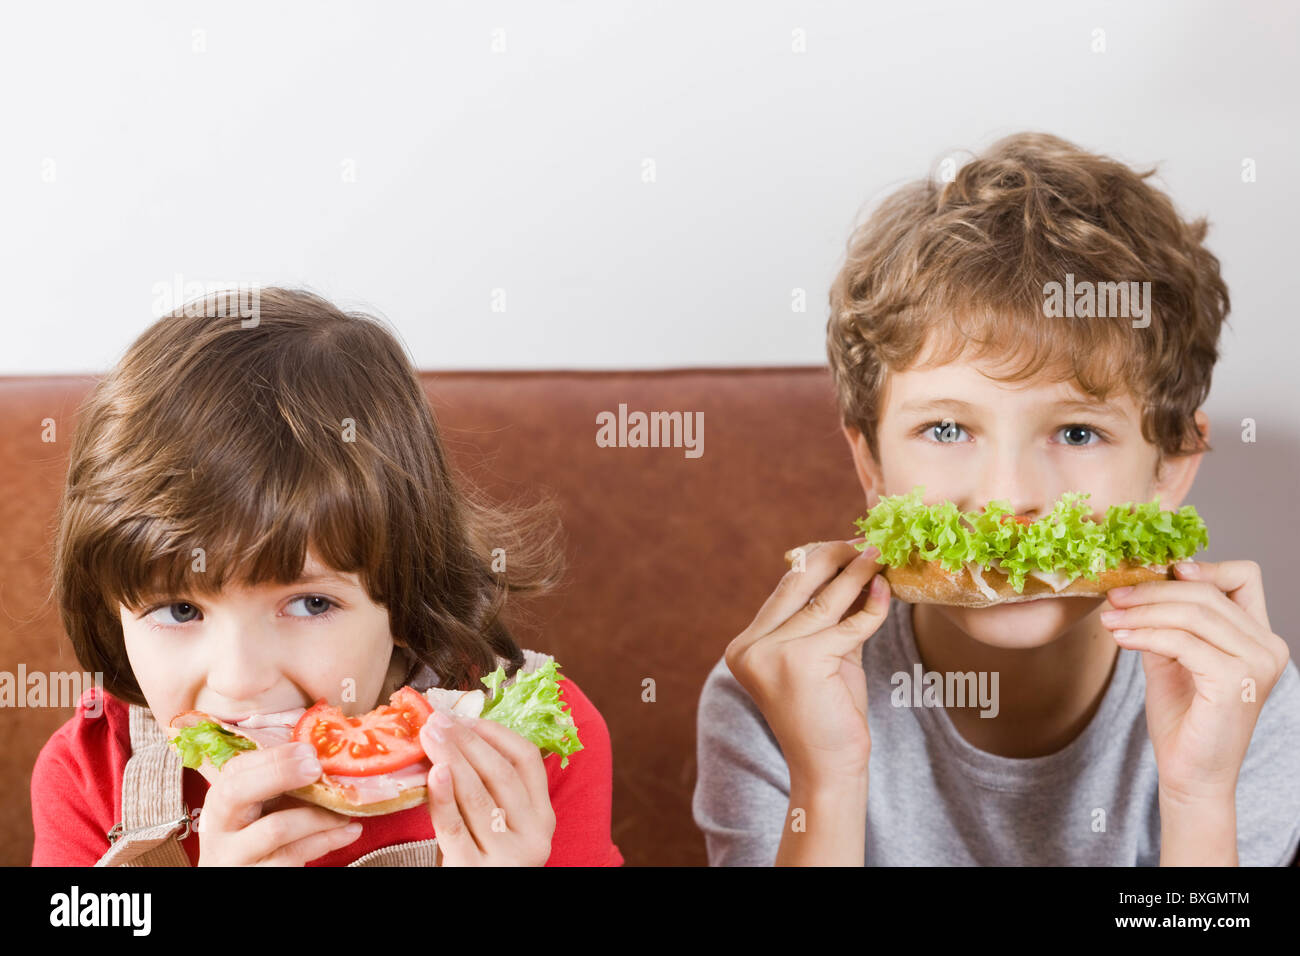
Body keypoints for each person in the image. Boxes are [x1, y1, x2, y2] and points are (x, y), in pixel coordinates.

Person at [694, 132, 1300, 866]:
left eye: (1077, 433)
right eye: (946, 428)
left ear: (1170, 469)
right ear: (871, 461)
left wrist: (1200, 798)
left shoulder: (1244, 699)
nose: (1010, 498)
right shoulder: (770, 696)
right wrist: (826, 782)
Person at [32, 287, 622, 866]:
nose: (239, 682)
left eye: (311, 604)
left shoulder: (529, 756)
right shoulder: (90, 777)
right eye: (181, 610)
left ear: (406, 598)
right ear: (111, 610)